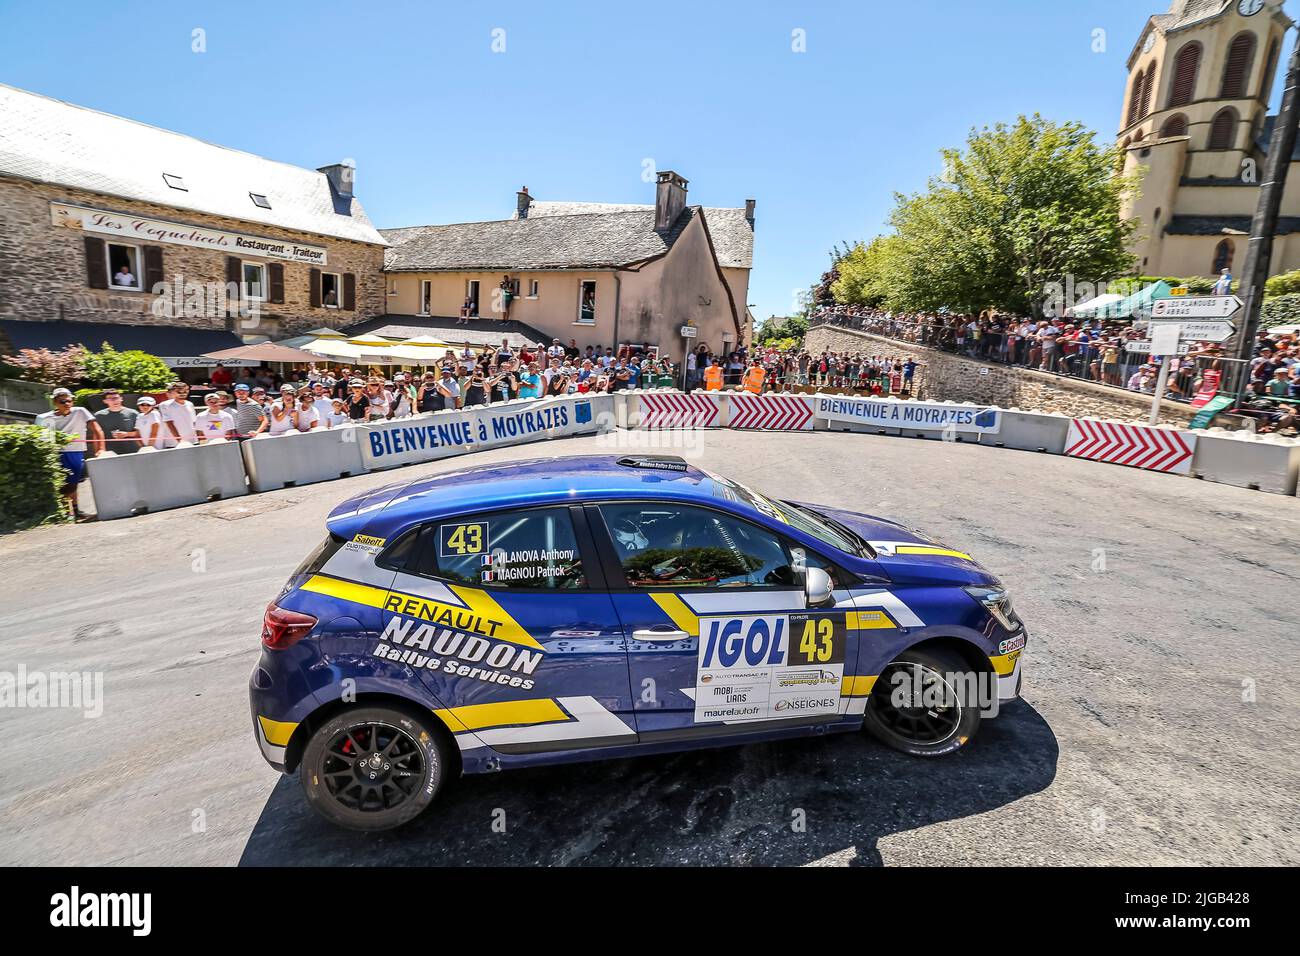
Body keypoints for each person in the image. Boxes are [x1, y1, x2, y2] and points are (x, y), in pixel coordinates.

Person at [37, 388, 105, 520]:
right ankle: (66, 513)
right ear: (55, 403)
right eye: (62, 401)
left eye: (69, 400)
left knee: (73, 483)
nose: (67, 404)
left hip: (76, 451)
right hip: (58, 453)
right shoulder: (46, 418)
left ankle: (73, 511)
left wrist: (100, 448)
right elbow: (46, 439)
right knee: (63, 483)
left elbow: (97, 429)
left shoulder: (80, 411)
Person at [93, 389, 140, 455]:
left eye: (116, 398)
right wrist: (97, 451)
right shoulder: (99, 416)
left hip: (132, 450)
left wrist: (127, 434)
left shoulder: (133, 413)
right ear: (105, 401)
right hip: (110, 452)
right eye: (110, 399)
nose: (114, 400)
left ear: (121, 399)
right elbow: (96, 435)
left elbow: (140, 433)